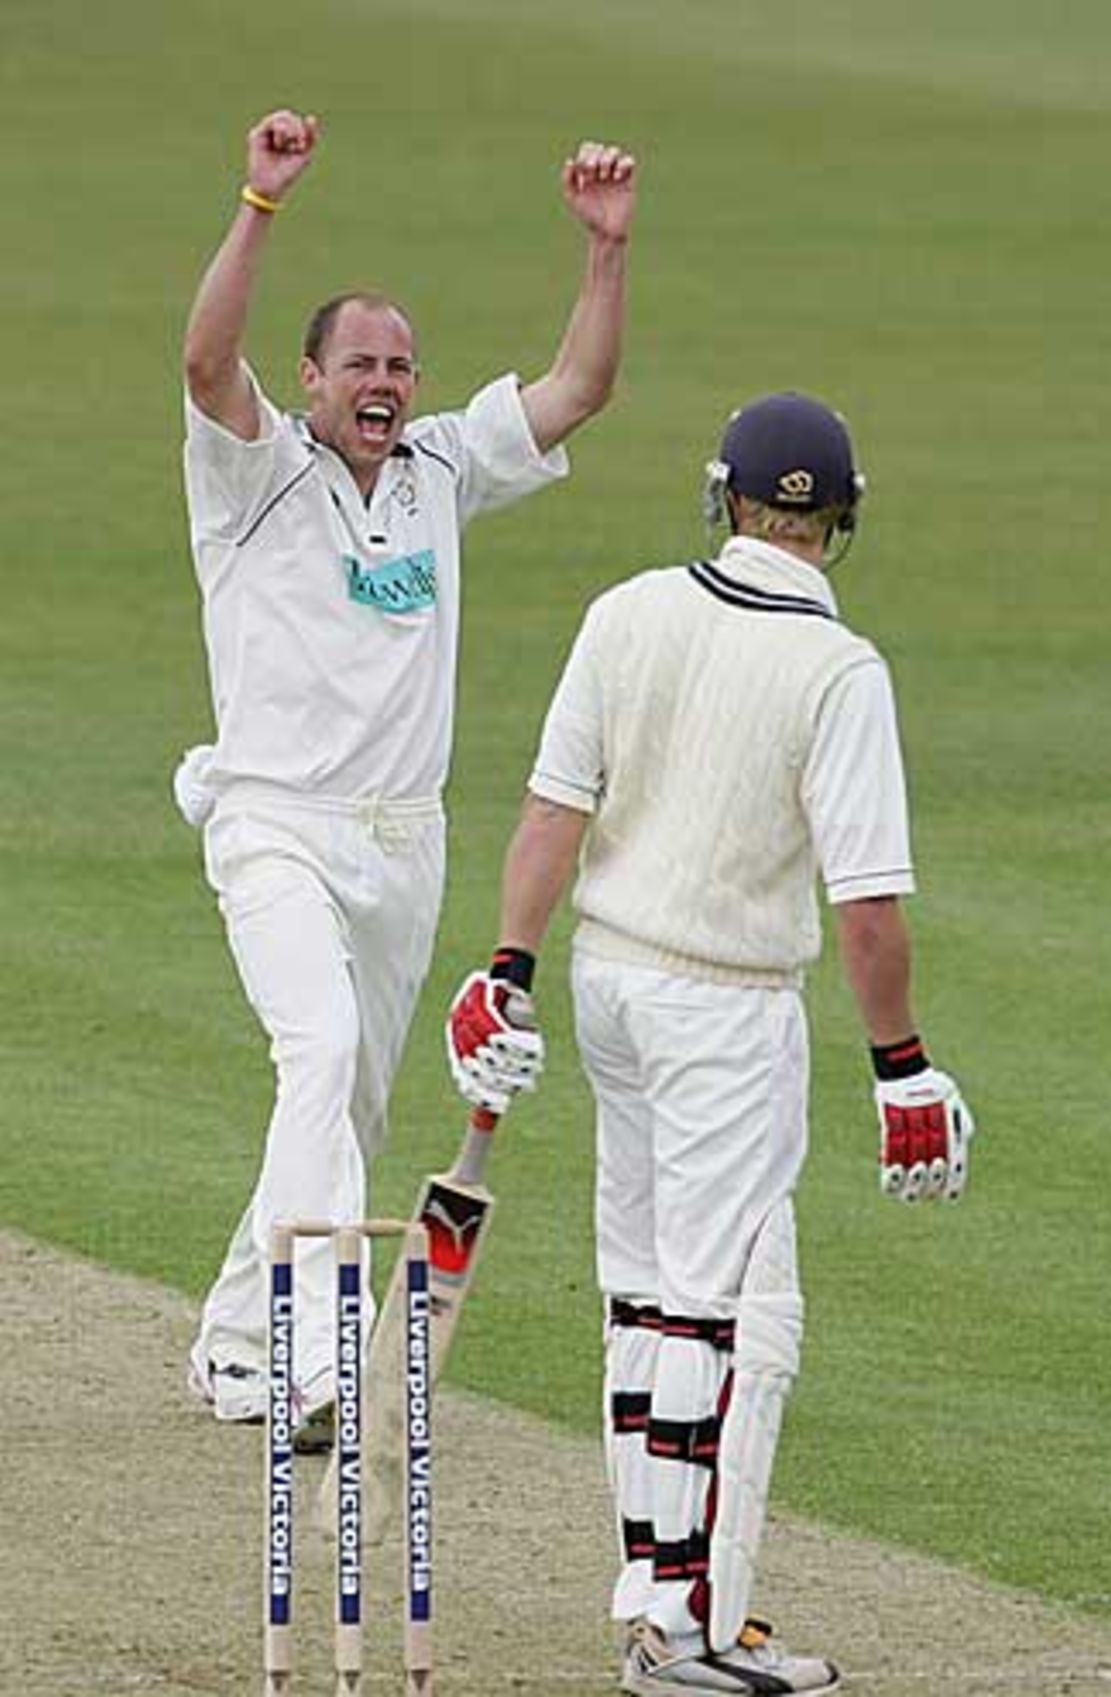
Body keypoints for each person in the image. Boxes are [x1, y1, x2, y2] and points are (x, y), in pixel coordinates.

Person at [445, 391, 976, 1696]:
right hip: (728, 1011)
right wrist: (902, 1064)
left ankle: (653, 1596)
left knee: (642, 1291)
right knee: (709, 1310)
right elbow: (865, 907)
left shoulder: (624, 612)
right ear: (838, 522)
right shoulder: (840, 672)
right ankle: (677, 1629)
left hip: (610, 984)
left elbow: (549, 818)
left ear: (721, 497)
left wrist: (504, 972)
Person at [178, 108, 637, 1440]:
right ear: (311, 378)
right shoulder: (253, 470)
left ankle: (224, 1341)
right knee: (314, 1053)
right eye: (359, 364)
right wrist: (259, 205)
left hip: (403, 841)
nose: (383, 382)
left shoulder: (437, 464)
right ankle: (310, 1353)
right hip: (273, 820)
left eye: (400, 363)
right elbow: (207, 360)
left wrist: (605, 251)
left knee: (348, 1100)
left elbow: (579, 390)